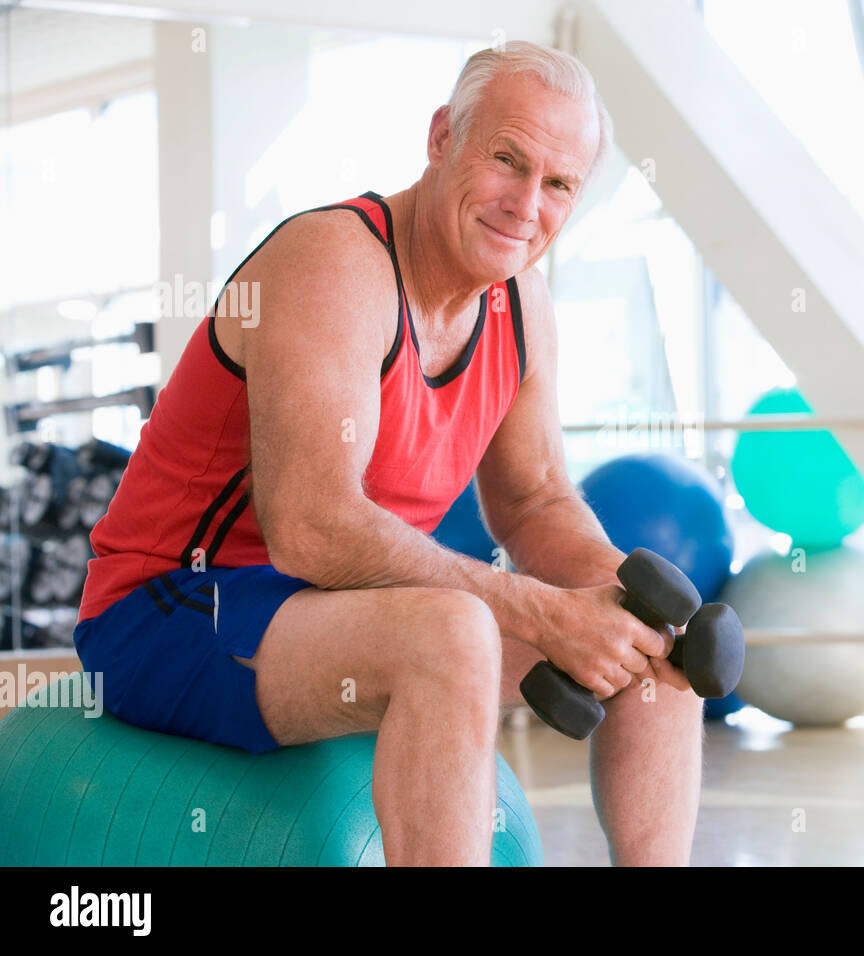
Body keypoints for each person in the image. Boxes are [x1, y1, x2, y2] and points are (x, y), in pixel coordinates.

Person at [74, 41, 702, 866]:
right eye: (506, 159)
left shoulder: (521, 304)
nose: (525, 204)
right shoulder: (334, 264)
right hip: (172, 608)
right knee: (453, 635)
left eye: (557, 185)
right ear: (443, 137)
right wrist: (547, 615)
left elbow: (535, 499)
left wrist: (605, 599)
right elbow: (312, 528)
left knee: (653, 642)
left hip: (345, 614)